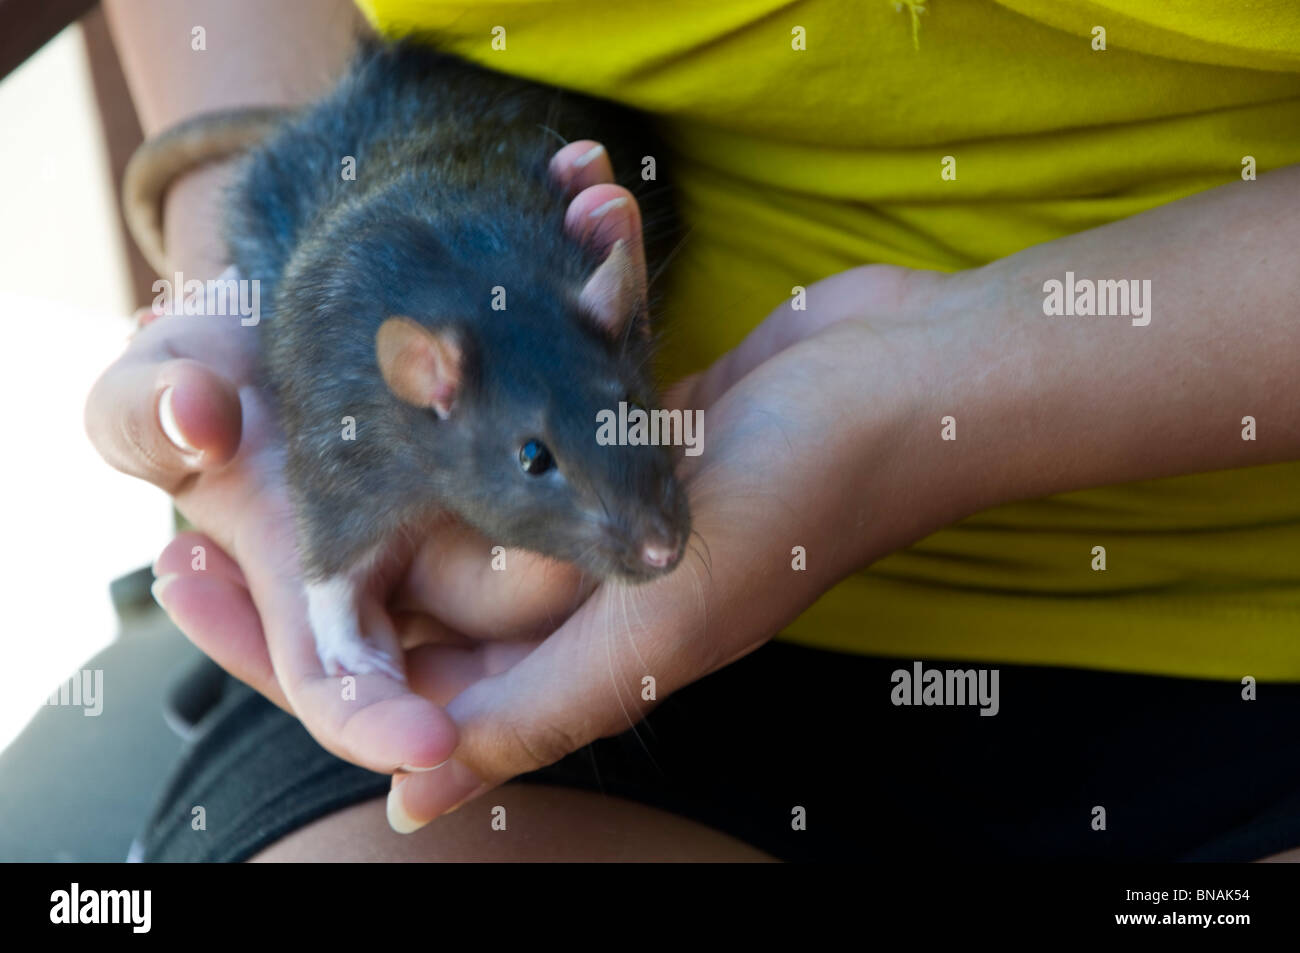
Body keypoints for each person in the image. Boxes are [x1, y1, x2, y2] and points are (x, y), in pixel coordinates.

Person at [86, 0, 1300, 861]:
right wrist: (237, 293)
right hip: (544, 636)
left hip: (1233, 632)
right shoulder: (414, 380)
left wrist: (930, 392)